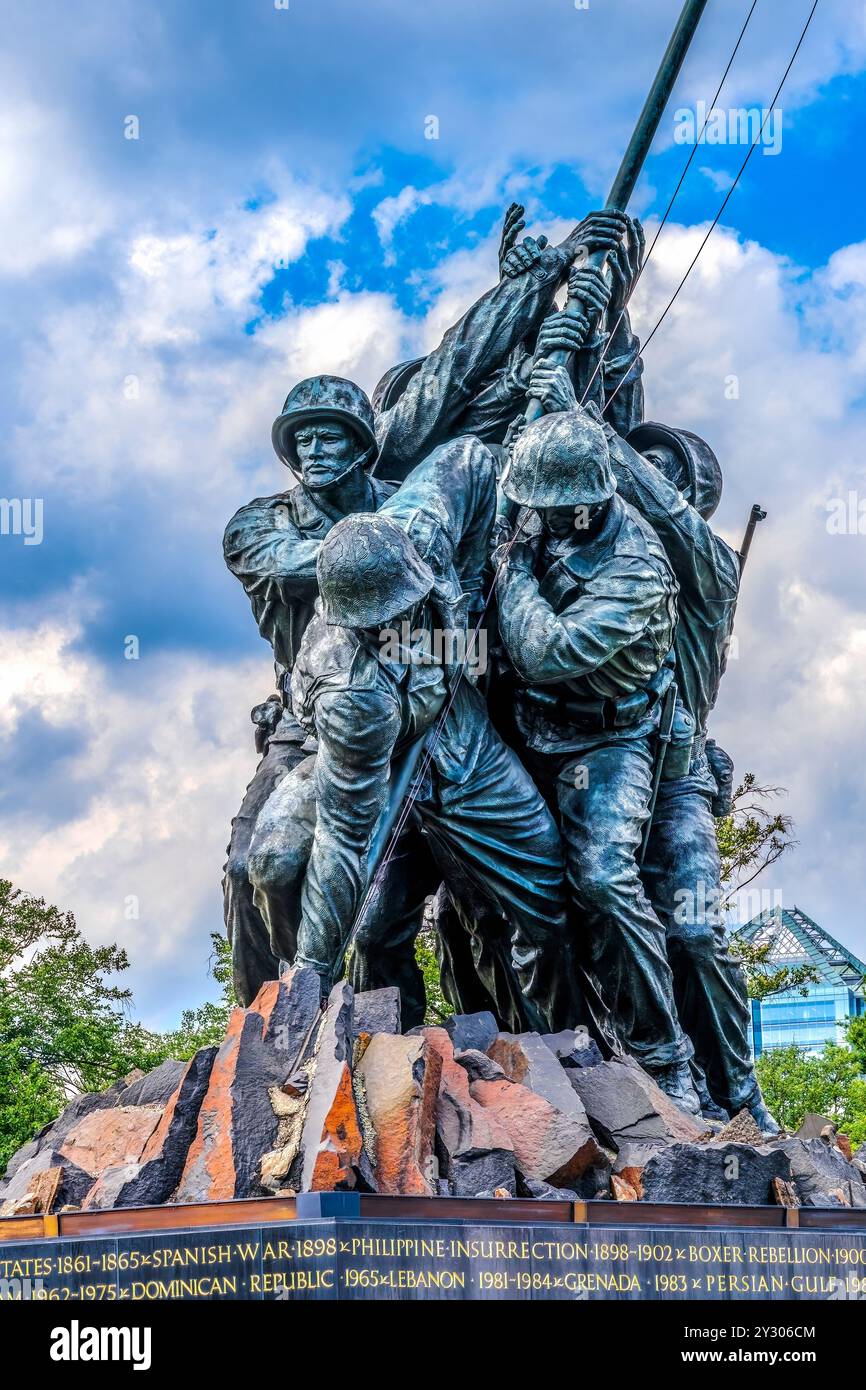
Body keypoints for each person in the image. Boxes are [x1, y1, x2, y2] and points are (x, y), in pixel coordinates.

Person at [246, 436, 583, 1033]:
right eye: (379, 624)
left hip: (461, 744)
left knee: (545, 883)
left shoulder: (420, 526)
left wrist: (478, 573)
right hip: (369, 761)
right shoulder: (352, 693)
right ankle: (319, 1001)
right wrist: (315, 972)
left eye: (403, 609)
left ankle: (570, 1044)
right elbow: (344, 844)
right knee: (279, 866)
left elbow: (472, 459)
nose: (396, 628)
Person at [493, 405, 701, 1111]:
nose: (544, 519)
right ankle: (554, 1048)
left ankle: (665, 1058)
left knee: (606, 881)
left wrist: (513, 572)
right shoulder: (530, 514)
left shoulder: (637, 566)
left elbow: (546, 652)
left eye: (560, 508)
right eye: (535, 507)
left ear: (596, 495)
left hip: (609, 741)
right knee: (521, 892)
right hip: (526, 730)